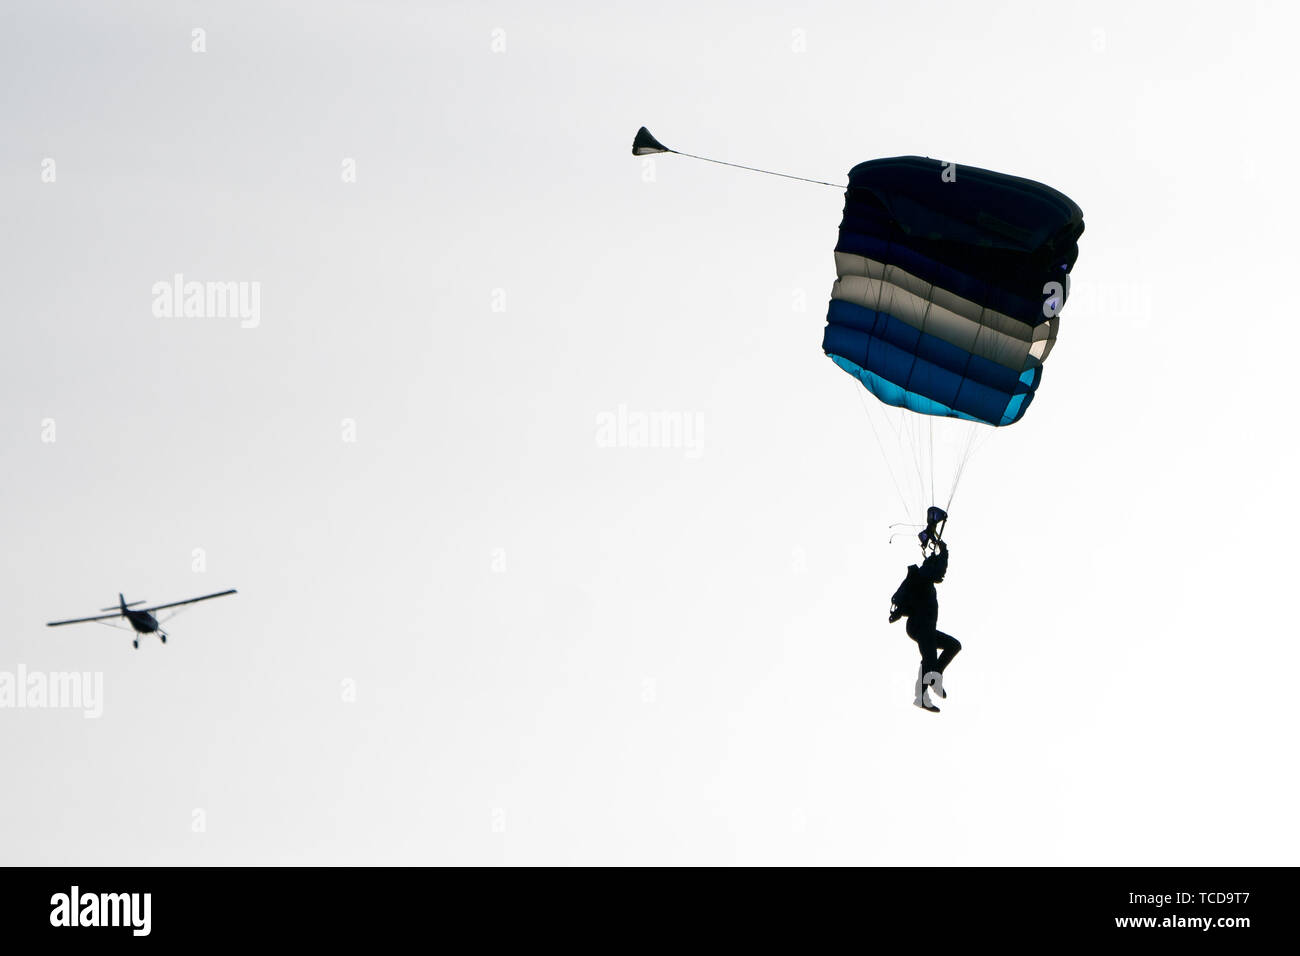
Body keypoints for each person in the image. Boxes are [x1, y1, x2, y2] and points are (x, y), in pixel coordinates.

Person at [892, 538, 961, 712]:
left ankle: (934, 678)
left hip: (924, 626)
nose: (942, 576)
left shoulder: (923, 579)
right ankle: (922, 694)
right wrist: (944, 551)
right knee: (929, 659)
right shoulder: (922, 577)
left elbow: (938, 570)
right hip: (920, 625)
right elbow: (939, 569)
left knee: (953, 646)